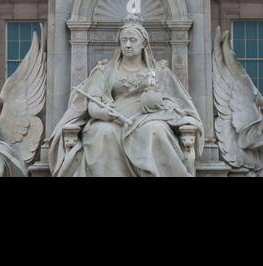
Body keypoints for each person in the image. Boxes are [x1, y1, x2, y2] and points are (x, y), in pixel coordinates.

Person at [48, 19, 202, 176]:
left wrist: (155, 102)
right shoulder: (105, 71)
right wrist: (103, 114)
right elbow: (92, 104)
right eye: (124, 40)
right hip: (114, 119)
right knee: (102, 132)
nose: (128, 45)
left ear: (143, 44)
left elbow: (174, 101)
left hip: (147, 118)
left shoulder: (159, 72)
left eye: (133, 40)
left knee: (156, 130)